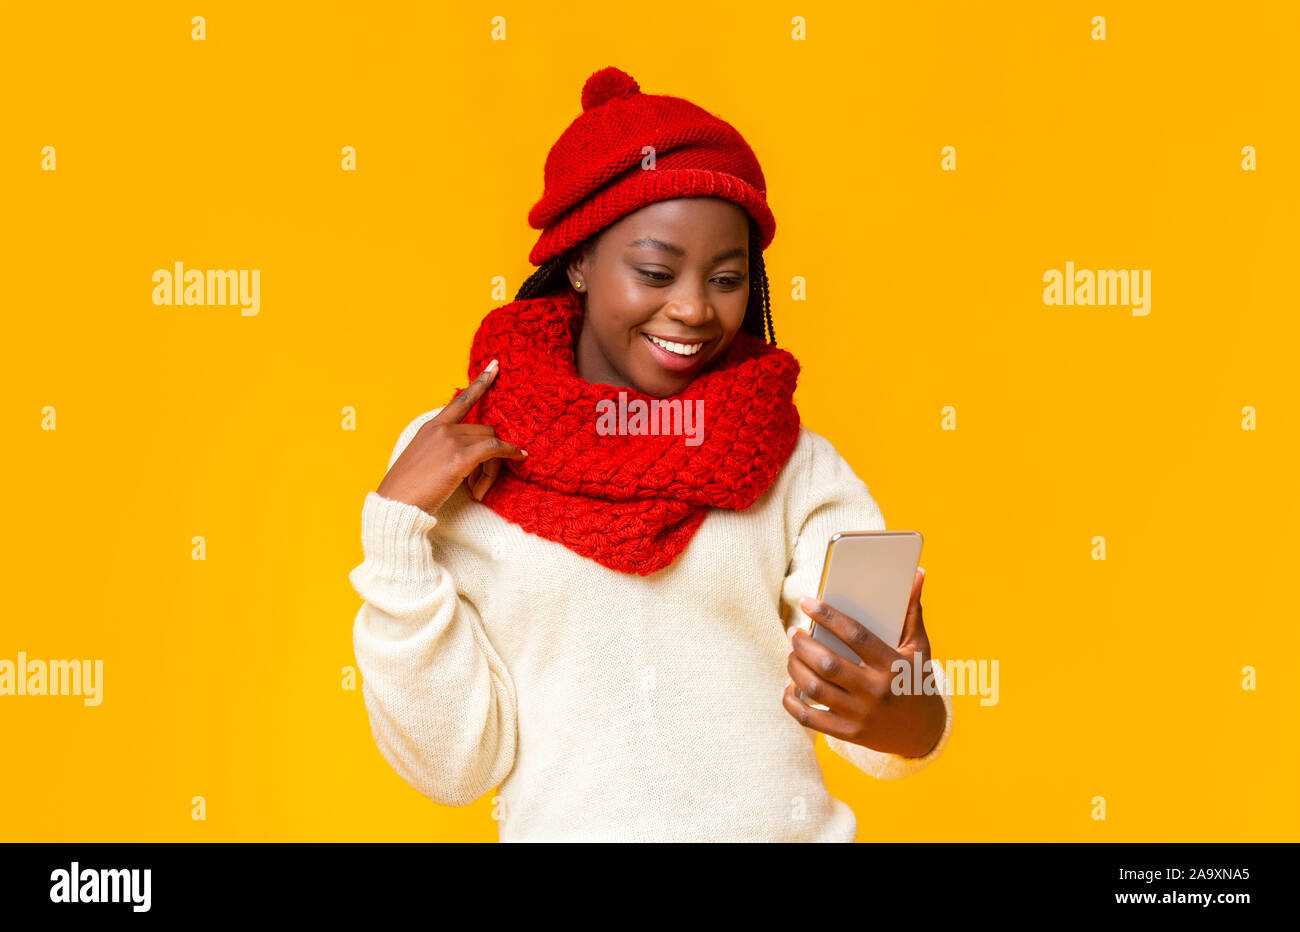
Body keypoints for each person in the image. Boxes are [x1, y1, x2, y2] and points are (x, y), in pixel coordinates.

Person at [348, 66, 953, 842]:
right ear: (578, 262)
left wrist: (900, 699)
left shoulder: (795, 464)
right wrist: (395, 535)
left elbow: (888, 731)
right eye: (656, 272)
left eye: (727, 278)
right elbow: (457, 768)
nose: (696, 308)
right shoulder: (461, 466)